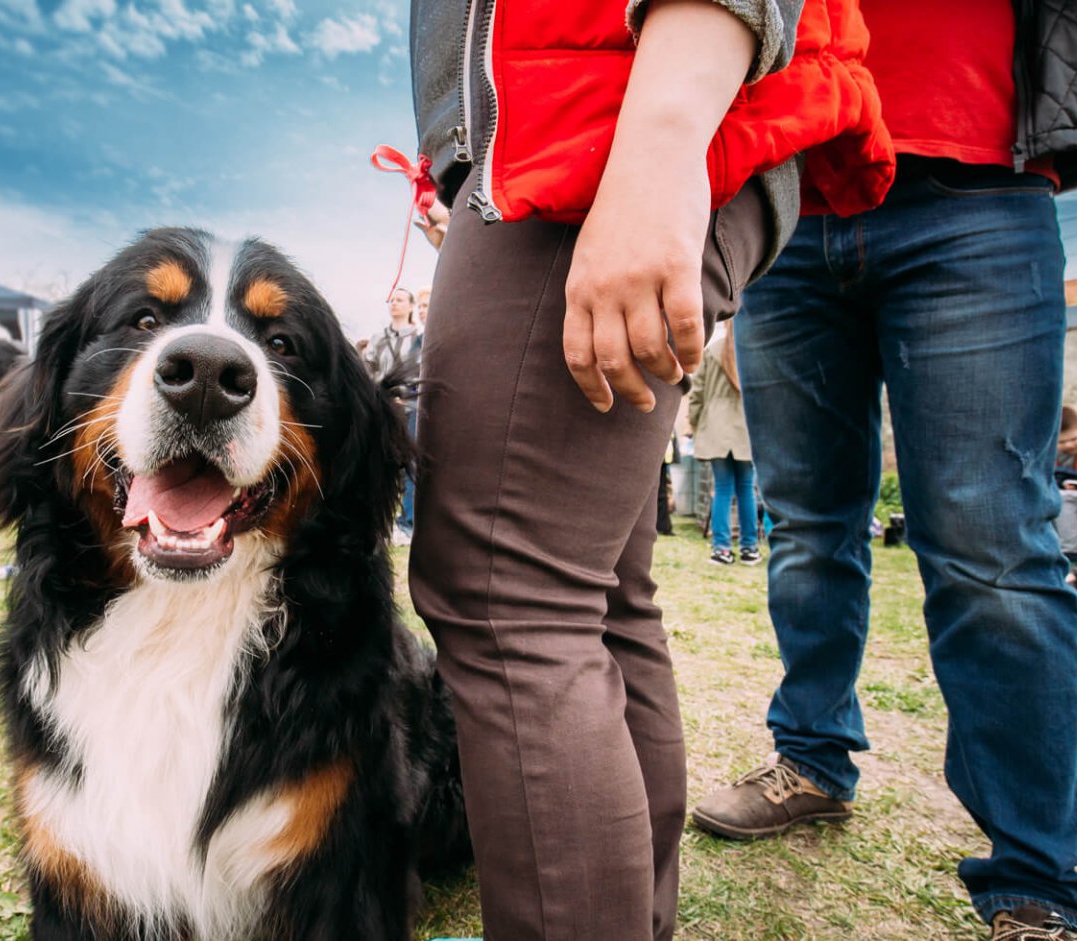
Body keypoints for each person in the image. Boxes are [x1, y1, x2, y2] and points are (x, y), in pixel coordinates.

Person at [407, 0, 890, 937]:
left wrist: (662, 140)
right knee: (593, 596)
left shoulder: (629, 129)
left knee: (513, 598)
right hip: (592, 122)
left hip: (602, 117)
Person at [690, 5, 1077, 938]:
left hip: (979, 186)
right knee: (804, 525)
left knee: (992, 541)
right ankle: (812, 757)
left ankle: (1038, 875)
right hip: (789, 203)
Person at [687, 322, 758, 565]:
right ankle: (749, 548)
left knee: (723, 489)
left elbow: (697, 394)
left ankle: (721, 549)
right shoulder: (753, 350)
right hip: (746, 428)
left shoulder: (711, 350)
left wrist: (695, 426)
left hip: (715, 428)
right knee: (746, 488)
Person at [363, 286, 423, 544]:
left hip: (412, 408)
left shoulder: (420, 339)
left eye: (399, 300)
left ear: (410, 306)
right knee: (379, 465)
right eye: (391, 300)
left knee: (410, 465)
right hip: (383, 409)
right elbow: (368, 370)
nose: (394, 304)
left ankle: (406, 523)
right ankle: (378, 524)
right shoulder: (378, 339)